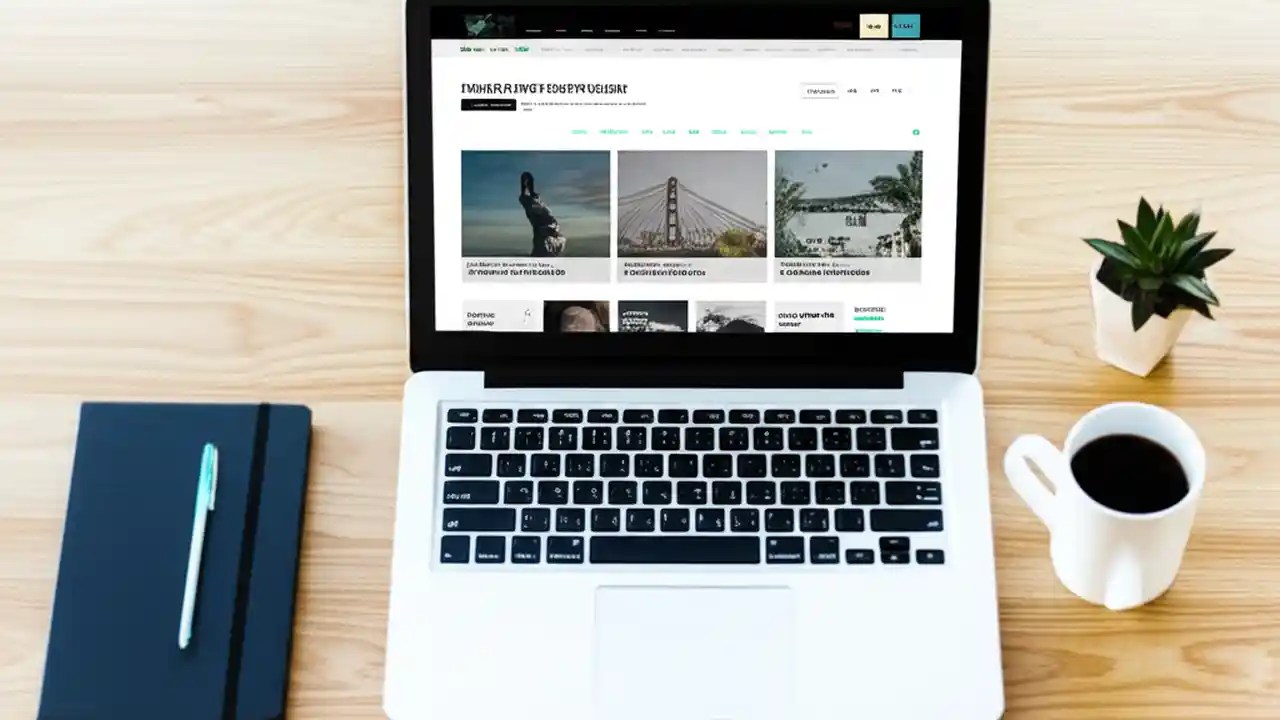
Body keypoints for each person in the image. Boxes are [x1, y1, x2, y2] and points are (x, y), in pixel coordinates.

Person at [519, 171, 567, 257]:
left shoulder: (536, 198)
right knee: (544, 251)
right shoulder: (526, 199)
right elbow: (534, 213)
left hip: (549, 227)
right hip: (543, 230)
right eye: (525, 181)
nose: (527, 183)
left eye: (528, 181)